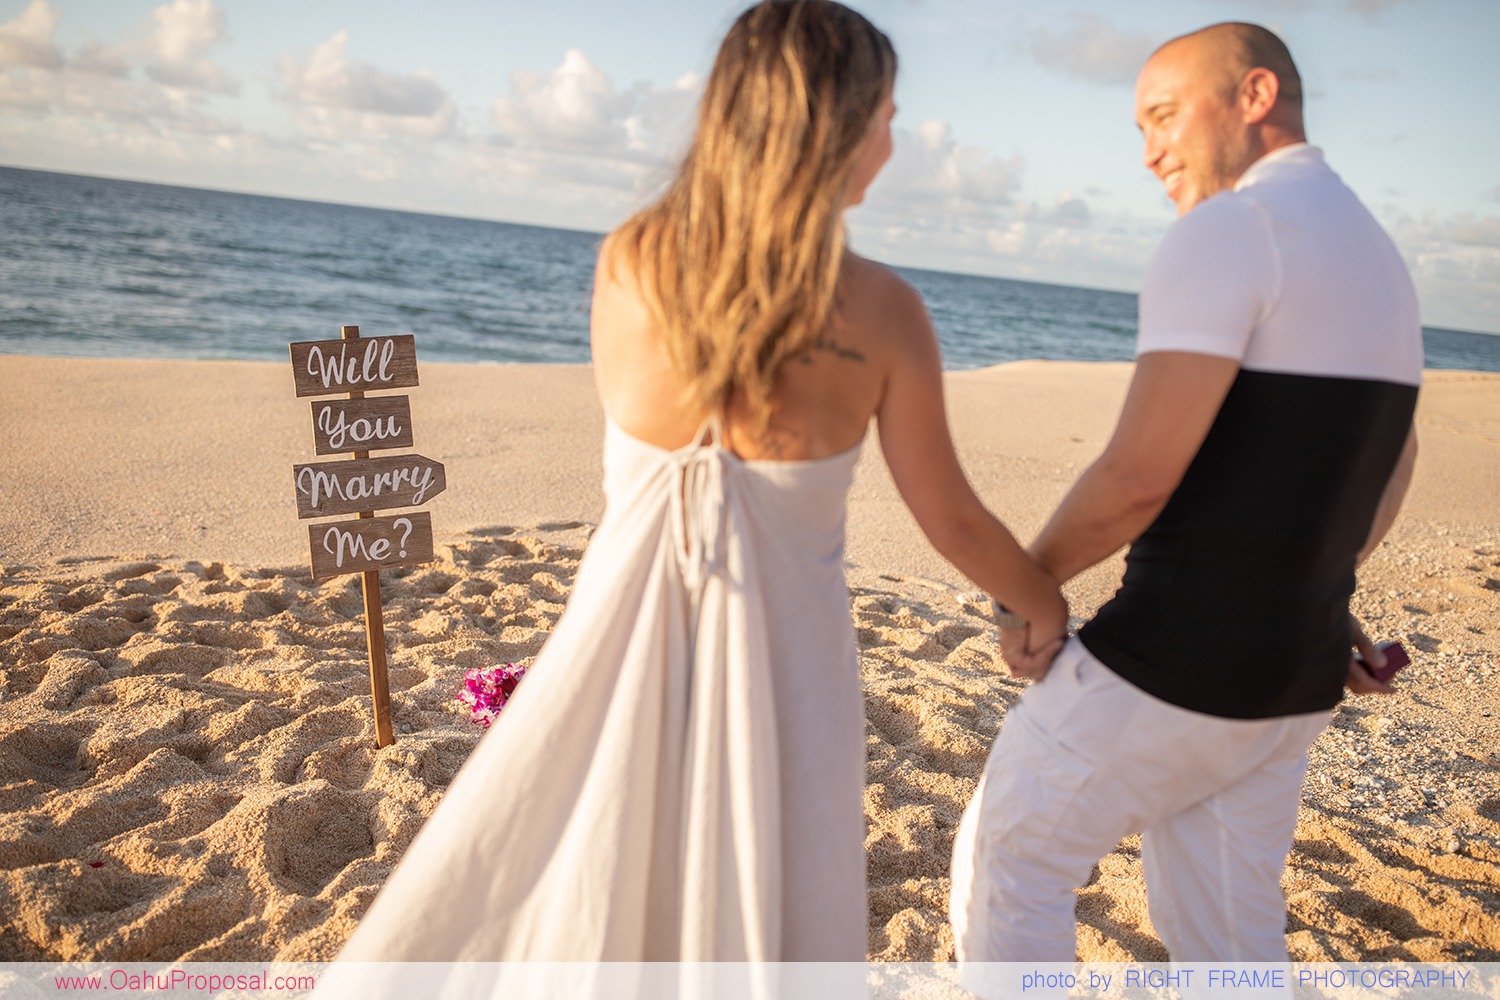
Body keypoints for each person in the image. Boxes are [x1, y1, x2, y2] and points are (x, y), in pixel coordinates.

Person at [331, 0, 1065, 966]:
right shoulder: (883, 309)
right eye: (887, 114)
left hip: (620, 632)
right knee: (768, 898)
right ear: (834, 124)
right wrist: (1040, 608)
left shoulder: (631, 259)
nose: (895, 137)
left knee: (602, 879)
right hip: (784, 657)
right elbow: (954, 520)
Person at [949, 21, 1422, 967]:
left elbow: (1135, 479)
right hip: (1288, 682)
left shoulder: (1232, 229)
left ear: (1254, 97)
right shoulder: (1380, 256)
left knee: (1009, 866)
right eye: (1138, 127)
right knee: (1229, 940)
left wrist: (1027, 590)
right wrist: (1313, 597)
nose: (1150, 150)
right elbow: (1387, 462)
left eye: (1164, 115)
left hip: (1168, 664)